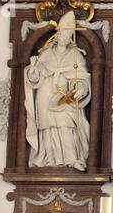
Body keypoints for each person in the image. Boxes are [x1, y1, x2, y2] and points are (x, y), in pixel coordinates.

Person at [24, 11, 91, 170]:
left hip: (64, 95)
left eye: (67, 34)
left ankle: (72, 159)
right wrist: (33, 70)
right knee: (47, 128)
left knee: (66, 125)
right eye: (62, 33)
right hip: (46, 94)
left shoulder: (75, 55)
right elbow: (35, 77)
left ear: (71, 38)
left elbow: (81, 77)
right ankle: (46, 158)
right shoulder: (46, 53)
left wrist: (80, 88)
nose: (63, 37)